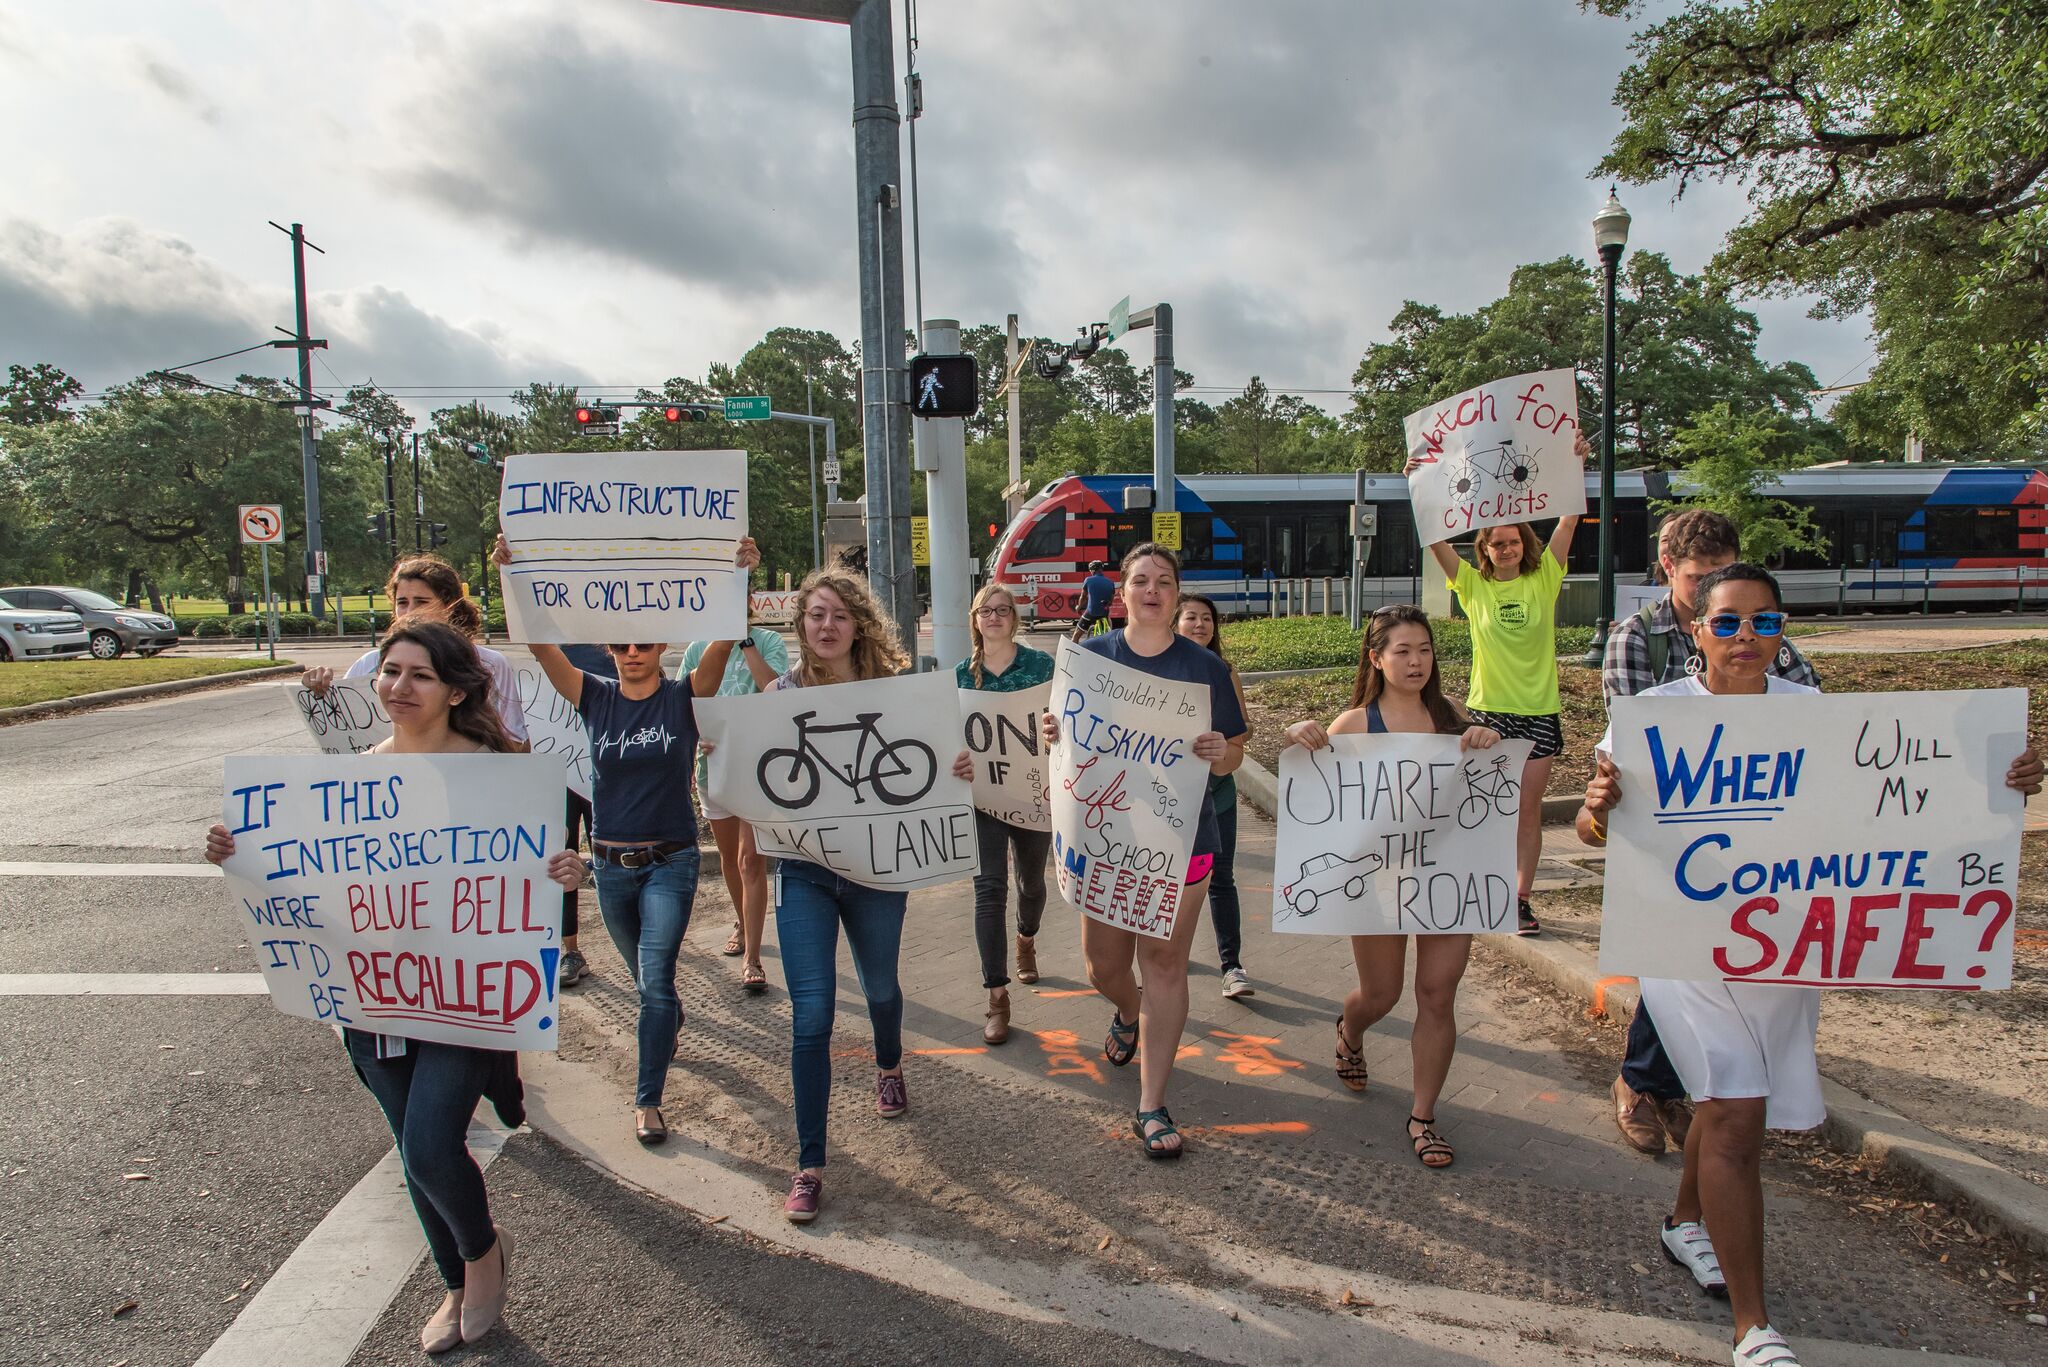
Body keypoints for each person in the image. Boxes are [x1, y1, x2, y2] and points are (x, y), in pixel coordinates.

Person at [1576, 563, 2041, 1367]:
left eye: (1764, 621)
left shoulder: (1813, 715)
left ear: (1783, 629)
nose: (1745, 637)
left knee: (1729, 1104)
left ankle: (1685, 1221)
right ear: (1698, 631)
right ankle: (1754, 1327)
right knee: (1735, 1112)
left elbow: (1891, 802)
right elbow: (1594, 832)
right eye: (1727, 623)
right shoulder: (1654, 718)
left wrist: (2002, 781)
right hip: (1685, 948)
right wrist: (1595, 810)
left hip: (1782, 950)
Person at [207, 619, 584, 1353]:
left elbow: (543, 865)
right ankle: (456, 1279)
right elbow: (308, 873)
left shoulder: (503, 769)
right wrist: (236, 849)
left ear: (455, 690)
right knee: (414, 1150)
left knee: (430, 1145)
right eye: (389, 671)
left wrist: (571, 871)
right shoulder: (351, 776)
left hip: (468, 998)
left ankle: (482, 1260)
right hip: (374, 995)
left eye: (417, 674)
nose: (397, 686)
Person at [492, 533, 761, 1147]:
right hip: (609, 869)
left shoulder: (683, 696)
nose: (632, 651)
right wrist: (515, 574)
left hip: (671, 861)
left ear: (661, 645)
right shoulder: (594, 697)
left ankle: (647, 1100)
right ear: (608, 649)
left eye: (643, 642)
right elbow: (540, 641)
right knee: (649, 983)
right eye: (621, 643)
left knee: (657, 976)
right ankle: (664, 1021)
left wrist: (738, 575)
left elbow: (721, 639)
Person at [746, 567, 973, 1223]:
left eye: (838, 615)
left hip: (877, 869)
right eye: (815, 614)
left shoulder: (893, 691)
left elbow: (936, 755)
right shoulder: (780, 693)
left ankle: (888, 1060)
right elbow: (752, 763)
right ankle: (810, 1163)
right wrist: (725, 751)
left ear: (858, 625)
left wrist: (954, 765)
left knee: (880, 989)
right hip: (804, 871)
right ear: (801, 625)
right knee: (811, 1014)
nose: (825, 625)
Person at [1600, 510, 1820, 1157]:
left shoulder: (1788, 668)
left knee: (1732, 1076)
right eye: (1715, 604)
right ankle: (1645, 1085)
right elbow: (1638, 751)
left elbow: (1823, 745)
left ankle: (1692, 1174)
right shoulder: (1636, 640)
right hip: (1678, 855)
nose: (1744, 632)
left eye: (1762, 621)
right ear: (1673, 574)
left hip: (1765, 867)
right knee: (1682, 979)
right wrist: (1608, 805)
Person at [1042, 543, 1249, 1160]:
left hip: (1184, 840)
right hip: (1107, 839)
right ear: (1122, 594)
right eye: (1140, 580)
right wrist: (1050, 731)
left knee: (1165, 963)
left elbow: (1236, 752)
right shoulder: (1090, 659)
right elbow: (1060, 738)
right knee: (1103, 967)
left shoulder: (1203, 667)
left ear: (1178, 594)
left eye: (1164, 581)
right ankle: (1126, 1011)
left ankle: (1152, 1103)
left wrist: (1221, 755)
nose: (1152, 590)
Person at [1283, 605, 1503, 1169]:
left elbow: (1483, 786)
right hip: (1375, 884)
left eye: (1425, 650)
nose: (1415, 661)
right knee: (1381, 995)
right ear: (1376, 659)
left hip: (1446, 881)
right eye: (1402, 651)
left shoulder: (1453, 716)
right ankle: (1350, 1029)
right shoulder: (1355, 724)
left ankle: (1424, 1116)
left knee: (1437, 993)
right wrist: (1301, 738)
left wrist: (1485, 738)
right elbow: (1316, 801)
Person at [1413, 438, 1586, 936]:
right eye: (1496, 543)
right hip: (1488, 713)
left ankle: (1520, 899)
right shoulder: (1472, 586)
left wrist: (1573, 463)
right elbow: (1435, 540)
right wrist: (1419, 481)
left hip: (1537, 713)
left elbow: (1569, 520)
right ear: (1485, 549)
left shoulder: (1545, 576)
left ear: (1523, 544)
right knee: (1485, 810)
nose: (1506, 548)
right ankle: (1476, 887)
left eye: (1513, 541)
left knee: (1526, 810)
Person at [955, 582, 1056, 1045]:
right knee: (988, 890)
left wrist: (1057, 727)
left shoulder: (1042, 667)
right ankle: (997, 995)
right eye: (985, 610)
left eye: (1002, 610)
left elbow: (1065, 717)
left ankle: (1027, 936)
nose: (993, 616)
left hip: (1033, 795)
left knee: (1032, 884)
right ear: (975, 620)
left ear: (1014, 618)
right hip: (982, 800)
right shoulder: (958, 676)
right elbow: (945, 737)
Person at [679, 616, 790, 994]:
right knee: (729, 858)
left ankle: (753, 957)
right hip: (715, 769)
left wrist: (744, 644)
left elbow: (774, 689)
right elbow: (684, 703)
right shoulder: (698, 647)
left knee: (750, 859)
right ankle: (742, 922)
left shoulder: (768, 640)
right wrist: (696, 738)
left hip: (759, 767)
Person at [1174, 593, 1255, 999]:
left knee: (1221, 880)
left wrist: (1225, 749)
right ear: (1176, 623)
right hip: (1164, 801)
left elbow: (1239, 738)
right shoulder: (1153, 675)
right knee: (1164, 880)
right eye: (1191, 617)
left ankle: (1232, 965)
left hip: (1216, 798)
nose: (1200, 625)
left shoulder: (1224, 672)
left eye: (1207, 619)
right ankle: (1164, 958)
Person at [1071, 560, 1115, 642]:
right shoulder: (1110, 582)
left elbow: (1083, 597)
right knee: (1105, 635)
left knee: (1076, 635)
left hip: (1091, 612)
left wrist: (1078, 607)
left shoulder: (1088, 580)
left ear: (1093, 570)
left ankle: (1073, 651)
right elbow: (1111, 601)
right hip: (1103, 613)